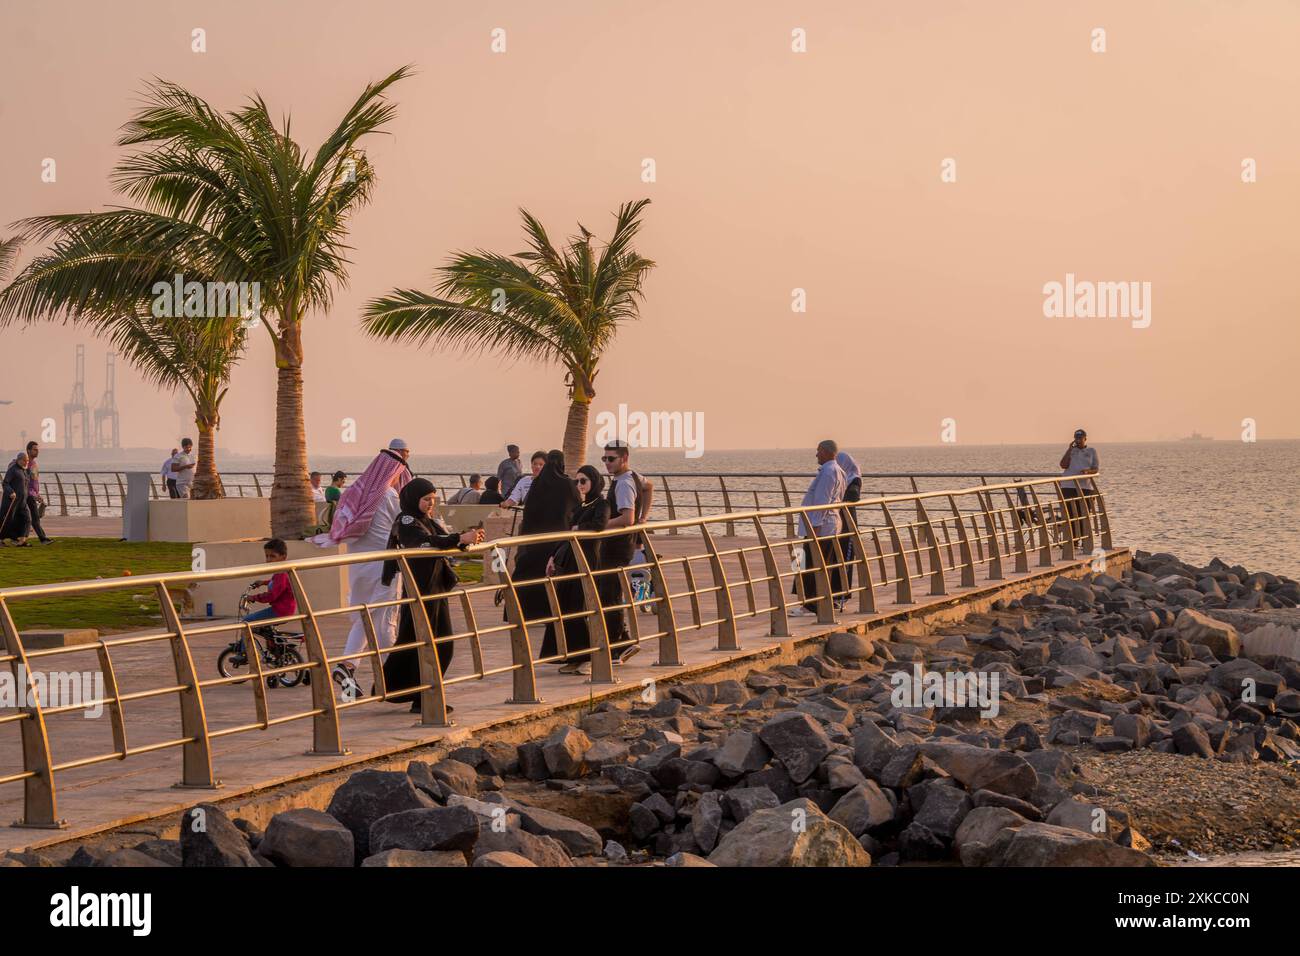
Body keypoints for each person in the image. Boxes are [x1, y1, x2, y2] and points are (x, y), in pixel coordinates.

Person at [378, 478, 483, 712]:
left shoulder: (426, 520)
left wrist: (467, 538)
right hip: (420, 592)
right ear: (413, 499)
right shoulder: (406, 520)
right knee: (420, 643)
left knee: (441, 644)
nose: (430, 504)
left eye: (433, 499)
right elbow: (425, 543)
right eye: (426, 499)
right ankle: (419, 696)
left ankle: (423, 695)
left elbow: (443, 539)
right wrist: (459, 539)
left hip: (434, 591)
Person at [317, 445, 412, 692]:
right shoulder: (389, 497)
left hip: (358, 568)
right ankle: (395, 679)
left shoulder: (353, 492)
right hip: (384, 569)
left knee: (365, 616)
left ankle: (347, 666)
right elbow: (406, 524)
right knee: (385, 621)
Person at [540, 464, 610, 672]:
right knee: (564, 607)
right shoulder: (581, 506)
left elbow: (600, 524)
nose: (579, 485)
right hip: (569, 560)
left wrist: (580, 528)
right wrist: (552, 556)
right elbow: (566, 532)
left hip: (586, 560)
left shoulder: (602, 504)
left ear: (594, 482)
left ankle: (584, 657)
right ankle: (568, 656)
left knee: (578, 607)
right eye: (577, 481)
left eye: (583, 481)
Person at [510, 450, 580, 629]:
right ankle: (550, 612)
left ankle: (521, 613)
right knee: (551, 575)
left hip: (535, 538)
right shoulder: (568, 484)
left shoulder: (537, 484)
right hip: (557, 538)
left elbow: (529, 511)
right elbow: (577, 508)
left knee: (529, 575)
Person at [599, 440, 652, 662]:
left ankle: (619, 644)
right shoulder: (634, 477)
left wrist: (600, 525)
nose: (607, 463)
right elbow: (650, 487)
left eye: (611, 459)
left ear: (624, 458)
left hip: (617, 545)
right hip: (625, 544)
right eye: (604, 458)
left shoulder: (623, 483)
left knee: (609, 594)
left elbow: (626, 518)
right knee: (611, 592)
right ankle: (622, 640)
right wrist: (644, 518)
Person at [790, 440, 847, 617]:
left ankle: (811, 605)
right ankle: (820, 602)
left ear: (826, 452)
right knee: (822, 564)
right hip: (829, 525)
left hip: (820, 527)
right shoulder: (839, 471)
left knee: (812, 565)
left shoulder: (829, 472)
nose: (816, 454)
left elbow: (821, 503)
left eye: (818, 451)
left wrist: (814, 528)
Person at [1059, 428, 1099, 546]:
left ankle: (1084, 539)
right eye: (1076, 438)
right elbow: (1063, 465)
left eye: (1080, 438)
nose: (1078, 440)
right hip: (1068, 486)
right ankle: (1073, 541)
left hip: (1085, 487)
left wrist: (1088, 471)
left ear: (1085, 438)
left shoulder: (1091, 451)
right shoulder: (1071, 451)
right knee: (1070, 514)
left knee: (1084, 514)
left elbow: (1096, 469)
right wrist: (1069, 450)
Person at [244, 538, 296, 626]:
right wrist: (263, 582)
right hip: (282, 609)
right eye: (267, 556)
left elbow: (272, 596)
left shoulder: (281, 573)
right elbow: (276, 583)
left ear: (283, 557)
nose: (268, 560)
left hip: (280, 611)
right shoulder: (280, 572)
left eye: (272, 556)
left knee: (247, 620)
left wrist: (254, 597)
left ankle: (245, 640)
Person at [835, 451, 861, 596]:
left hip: (847, 523)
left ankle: (842, 595)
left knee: (845, 558)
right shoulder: (841, 478)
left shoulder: (853, 479)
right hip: (838, 521)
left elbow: (853, 496)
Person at [1, 451, 32, 545]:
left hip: (22, 501)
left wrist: (33, 495)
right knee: (7, 520)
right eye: (25, 460)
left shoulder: (25, 471)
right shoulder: (13, 469)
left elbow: (26, 486)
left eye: (27, 460)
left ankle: (22, 540)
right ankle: (1, 540)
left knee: (27, 519)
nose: (26, 462)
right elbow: (5, 483)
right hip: (12, 501)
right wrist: (11, 492)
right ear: (19, 460)